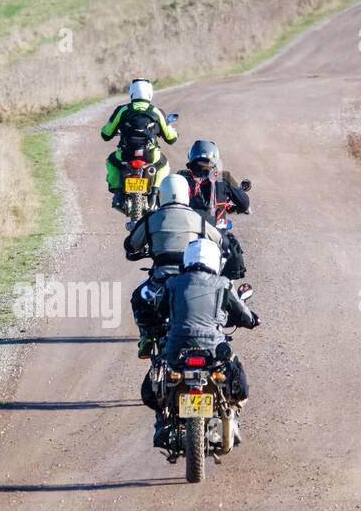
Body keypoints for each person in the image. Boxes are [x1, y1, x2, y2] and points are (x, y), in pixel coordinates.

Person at [141, 238, 259, 448]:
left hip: (177, 349)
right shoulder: (223, 284)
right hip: (213, 349)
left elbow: (159, 312)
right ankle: (232, 416)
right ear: (215, 261)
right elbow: (243, 314)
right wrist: (252, 320)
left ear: (187, 259)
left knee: (160, 377)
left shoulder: (172, 283)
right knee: (234, 375)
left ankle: (162, 421)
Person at [123, 175, 222, 358]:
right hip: (190, 280)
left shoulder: (151, 218)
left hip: (159, 282)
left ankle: (147, 337)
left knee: (138, 298)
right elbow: (218, 240)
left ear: (162, 195)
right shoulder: (197, 219)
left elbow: (131, 245)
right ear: (186, 194)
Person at [101, 79, 178, 213]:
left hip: (125, 154)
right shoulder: (156, 111)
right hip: (150, 155)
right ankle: (154, 195)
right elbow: (171, 138)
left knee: (111, 162)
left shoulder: (122, 110)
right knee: (163, 165)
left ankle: (119, 194)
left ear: (131, 92)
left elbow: (106, 134)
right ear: (150, 93)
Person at [177, 139, 251, 278]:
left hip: (185, 236)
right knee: (231, 267)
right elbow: (244, 203)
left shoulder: (180, 176)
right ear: (215, 157)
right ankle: (233, 298)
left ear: (191, 155)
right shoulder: (223, 177)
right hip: (217, 239)